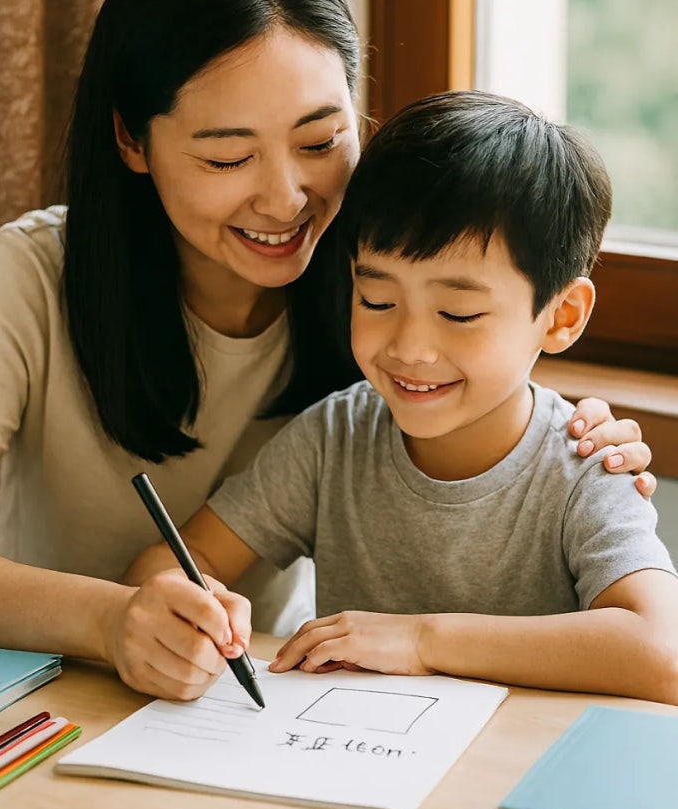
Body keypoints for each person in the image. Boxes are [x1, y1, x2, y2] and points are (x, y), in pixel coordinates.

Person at [0, 0, 655, 696]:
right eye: (227, 156)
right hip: (63, 690)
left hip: (270, 701)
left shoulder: (374, 262)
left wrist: (572, 434)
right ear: (132, 139)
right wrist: (109, 619)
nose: (285, 200)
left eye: (319, 142)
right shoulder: (38, 273)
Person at [163, 90, 678, 705]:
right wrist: (191, 602)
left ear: (561, 315)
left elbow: (660, 654)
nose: (409, 347)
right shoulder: (336, 440)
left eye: (458, 313)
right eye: (377, 301)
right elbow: (179, 557)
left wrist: (422, 642)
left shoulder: (587, 465)